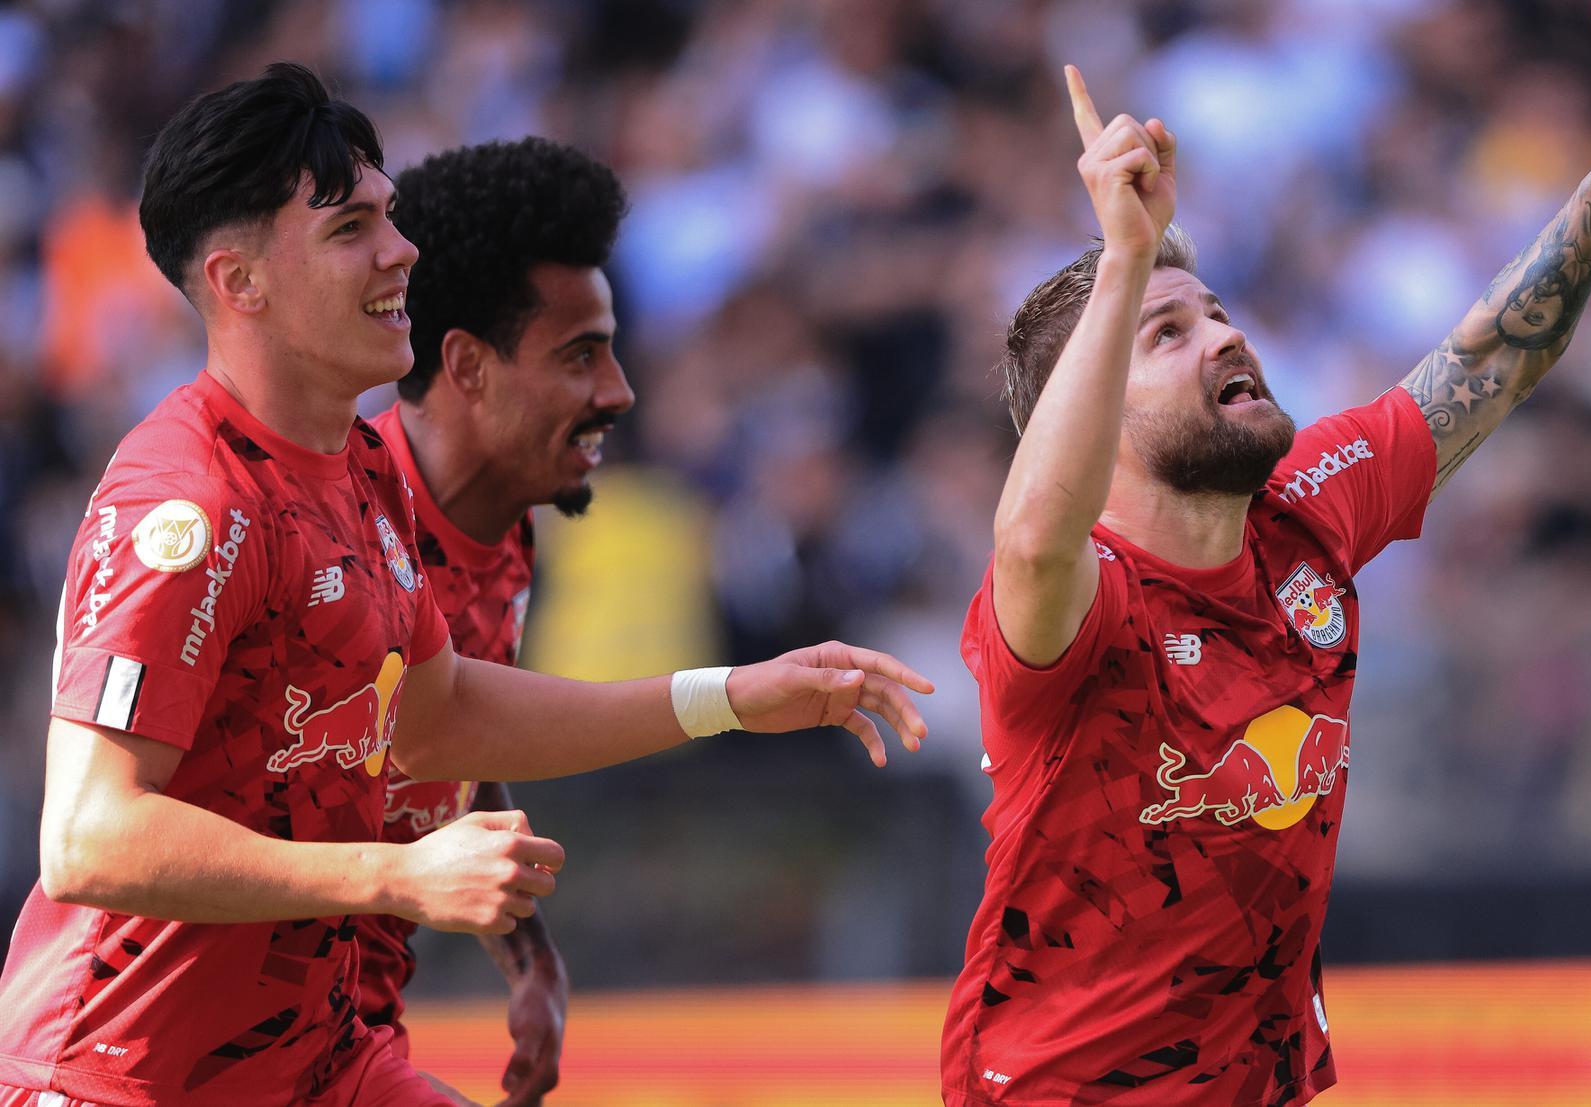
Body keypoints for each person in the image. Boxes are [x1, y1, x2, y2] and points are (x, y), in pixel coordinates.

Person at [0, 63, 930, 1107]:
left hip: (321, 1063)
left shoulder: (359, 469)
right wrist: (396, 877)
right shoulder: (186, 505)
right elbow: (88, 839)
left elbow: (438, 717)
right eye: (352, 229)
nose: (403, 251)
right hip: (122, 1077)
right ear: (238, 283)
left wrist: (729, 697)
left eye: (390, 218)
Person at [941, 4, 1591, 1104]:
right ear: (1093, 415)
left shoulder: (1310, 506)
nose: (1226, 335)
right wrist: (1123, 261)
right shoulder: (1072, 602)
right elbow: (1028, 535)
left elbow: (1495, 360)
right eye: (1170, 333)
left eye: (1216, 312)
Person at [351, 136, 635, 1107]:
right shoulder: (330, 534)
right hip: (161, 1059)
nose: (618, 391)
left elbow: (452, 744)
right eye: (581, 355)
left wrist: (530, 964)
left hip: (342, 1048)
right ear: (467, 365)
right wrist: (729, 702)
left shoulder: (510, 542)